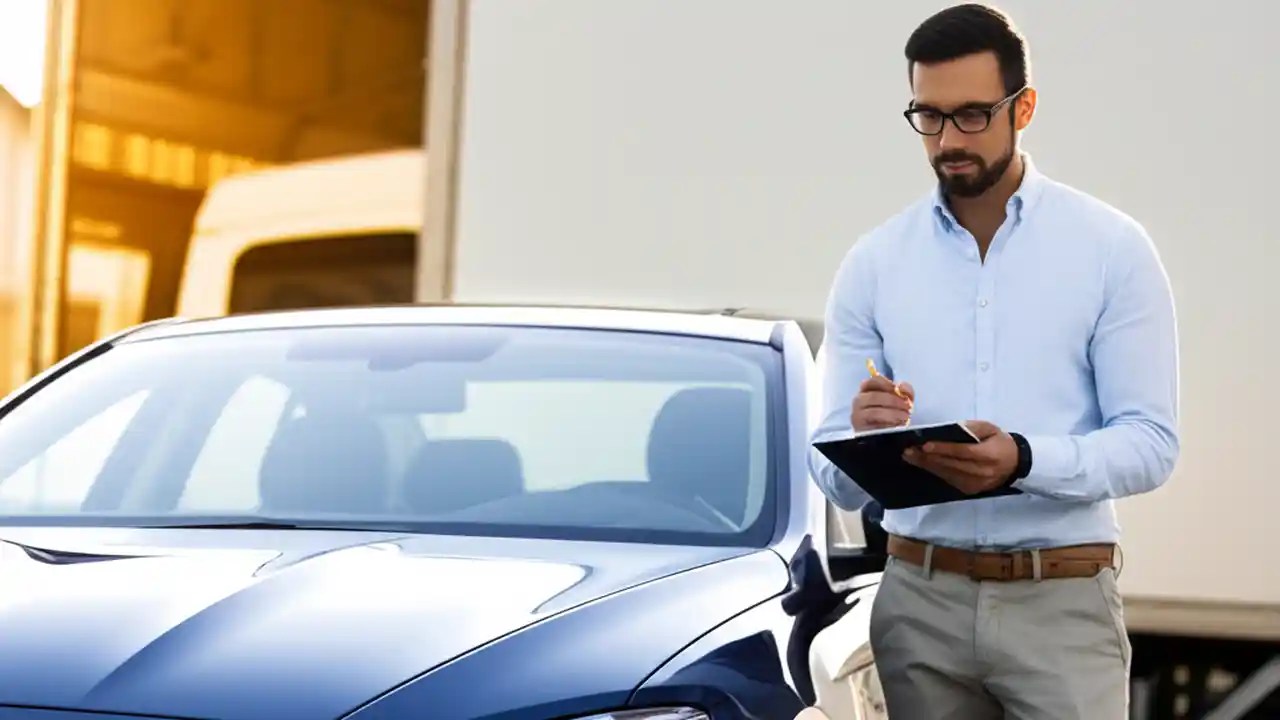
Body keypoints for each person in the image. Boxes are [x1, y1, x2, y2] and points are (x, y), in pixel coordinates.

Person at [808, 3, 1180, 718]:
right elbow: (833, 478)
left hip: (1061, 607)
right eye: (930, 116)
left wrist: (1024, 461)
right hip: (918, 606)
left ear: (1025, 107)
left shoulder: (1111, 250)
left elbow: (1152, 444)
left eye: (973, 115)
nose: (949, 139)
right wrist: (857, 438)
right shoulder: (874, 264)